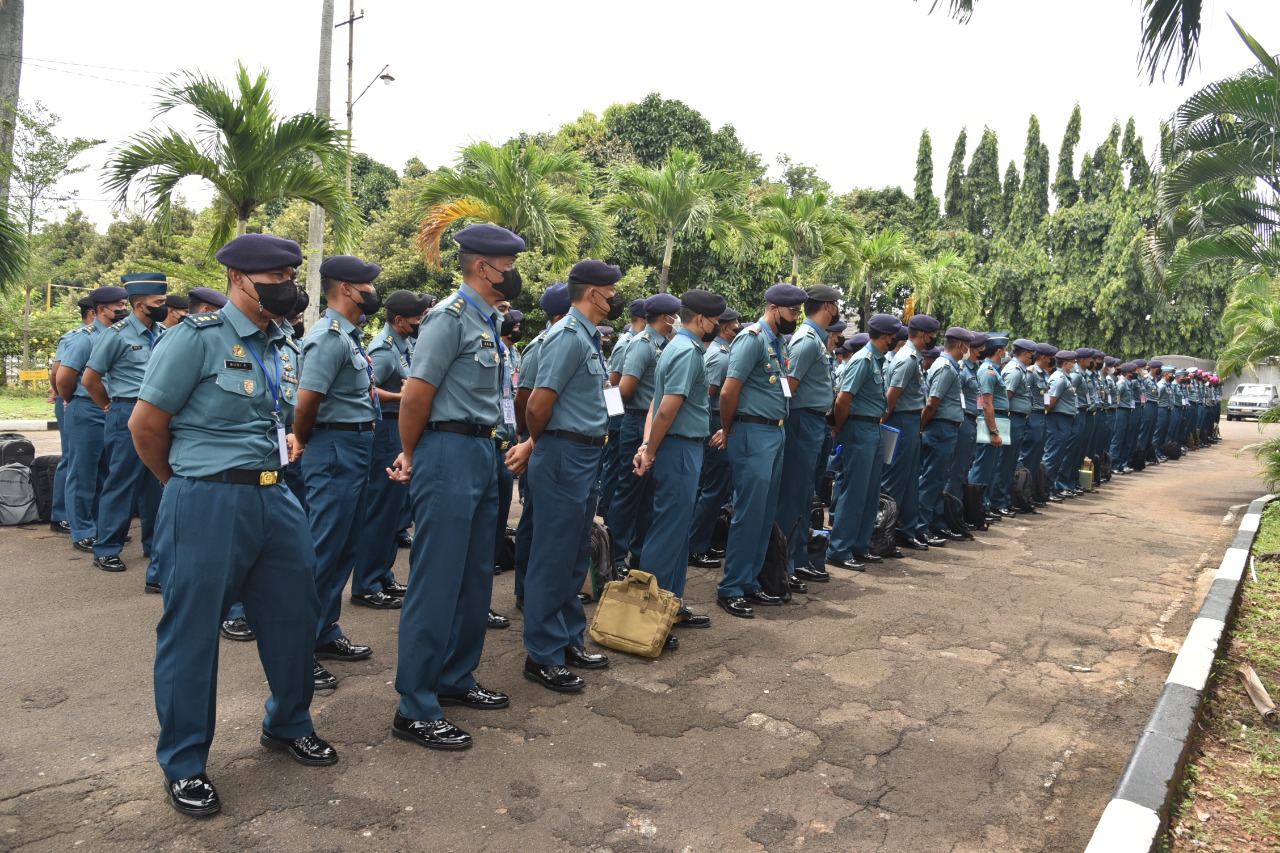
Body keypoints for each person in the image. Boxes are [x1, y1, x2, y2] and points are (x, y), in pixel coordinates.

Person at [129, 232, 337, 819]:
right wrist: (183, 485)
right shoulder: (195, 339)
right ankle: (186, 762)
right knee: (193, 632)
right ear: (241, 280)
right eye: (279, 276)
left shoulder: (283, 344)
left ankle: (288, 721)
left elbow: (280, 418)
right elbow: (146, 425)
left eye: (294, 274)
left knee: (296, 615)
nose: (290, 285)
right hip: (208, 499)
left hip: (276, 496)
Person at [387, 224, 524, 749]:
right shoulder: (449, 318)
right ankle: (415, 704)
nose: (512, 275)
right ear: (484, 267)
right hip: (446, 450)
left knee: (474, 577)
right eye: (507, 266)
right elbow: (416, 397)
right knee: (436, 579)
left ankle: (455, 677)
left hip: (483, 451)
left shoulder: (487, 322)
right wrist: (416, 455)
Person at [508, 259, 624, 691]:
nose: (615, 297)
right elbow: (537, 405)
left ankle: (568, 638)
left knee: (576, 553)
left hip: (584, 454)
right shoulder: (567, 337)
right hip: (564, 454)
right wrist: (540, 445)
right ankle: (542, 654)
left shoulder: (588, 338)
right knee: (552, 557)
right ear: (593, 293)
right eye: (610, 290)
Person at [294, 255, 383, 686]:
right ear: (347, 288)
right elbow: (307, 401)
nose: (372, 291)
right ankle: (297, 648)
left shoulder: (350, 336)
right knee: (323, 549)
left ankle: (325, 631)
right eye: (367, 284)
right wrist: (304, 440)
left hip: (355, 444)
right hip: (333, 445)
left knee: (345, 546)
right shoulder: (328, 337)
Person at [631, 288, 727, 645]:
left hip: (677, 447)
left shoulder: (676, 345)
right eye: (715, 321)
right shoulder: (687, 351)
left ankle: (671, 606)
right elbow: (667, 408)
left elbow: (656, 402)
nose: (716, 327)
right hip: (679, 448)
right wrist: (651, 449)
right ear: (700, 319)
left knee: (675, 530)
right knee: (667, 533)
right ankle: (648, 617)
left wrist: (646, 444)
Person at [715, 282, 807, 618]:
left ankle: (750, 582)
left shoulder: (777, 341)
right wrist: (728, 430)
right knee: (748, 513)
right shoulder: (752, 338)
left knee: (765, 514)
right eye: (792, 311)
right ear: (772, 307)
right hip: (752, 432)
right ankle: (731, 587)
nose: (796, 316)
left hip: (774, 432)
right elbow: (728, 392)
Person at [80, 273, 169, 581]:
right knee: (122, 480)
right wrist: (109, 406)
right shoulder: (116, 335)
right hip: (127, 409)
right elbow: (90, 379)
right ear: (140, 304)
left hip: (157, 414)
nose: (164, 306)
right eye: (159, 302)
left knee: (154, 481)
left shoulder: (163, 332)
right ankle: (106, 548)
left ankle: (154, 544)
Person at [353, 290, 428, 611]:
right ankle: (366, 584)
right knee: (380, 508)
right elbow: (368, 391)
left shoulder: (403, 346)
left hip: (399, 431)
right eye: (416, 320)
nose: (420, 324)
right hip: (386, 431)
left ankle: (382, 574)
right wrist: (402, 398)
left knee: (393, 509)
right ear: (399, 321)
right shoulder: (383, 351)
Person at [773, 285, 841, 586]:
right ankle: (782, 566)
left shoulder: (817, 339)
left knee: (804, 497)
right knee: (793, 497)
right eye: (835, 304)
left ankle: (797, 560)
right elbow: (790, 386)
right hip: (800, 420)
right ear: (828, 306)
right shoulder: (807, 340)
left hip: (813, 423)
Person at [55, 285, 130, 552]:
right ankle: (82, 530)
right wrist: (71, 399)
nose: (123, 310)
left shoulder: (120, 335)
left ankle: (101, 526)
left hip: (109, 407)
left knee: (105, 471)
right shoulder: (84, 338)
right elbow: (64, 378)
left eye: (125, 305)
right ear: (100, 311)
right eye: (118, 306)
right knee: (82, 471)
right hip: (86, 407)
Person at [512, 282, 572, 610]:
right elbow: (525, 399)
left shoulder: (577, 338)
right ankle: (525, 589)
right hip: (544, 441)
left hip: (559, 441)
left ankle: (545, 589)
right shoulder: (543, 344)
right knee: (535, 519)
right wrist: (528, 439)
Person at [825, 314, 900, 570]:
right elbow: (842, 400)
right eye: (892, 336)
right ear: (887, 337)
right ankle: (840, 549)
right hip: (858, 427)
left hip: (873, 427)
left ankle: (859, 545)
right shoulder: (863, 360)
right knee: (854, 491)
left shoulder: (876, 361)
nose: (893, 340)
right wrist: (841, 428)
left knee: (869, 492)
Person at [611, 293, 678, 572]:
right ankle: (615, 557)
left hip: (652, 426)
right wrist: (614, 420)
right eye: (675, 315)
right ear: (666, 318)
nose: (678, 320)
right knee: (629, 492)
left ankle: (638, 555)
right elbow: (623, 390)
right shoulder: (643, 344)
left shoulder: (664, 345)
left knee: (648, 495)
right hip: (637, 421)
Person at [687, 308, 741, 567]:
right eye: (734, 326)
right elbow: (704, 396)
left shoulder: (724, 353)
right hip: (716, 421)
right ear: (724, 329)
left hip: (719, 420)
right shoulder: (720, 357)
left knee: (714, 487)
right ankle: (695, 546)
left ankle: (702, 541)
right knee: (713, 487)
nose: (738, 330)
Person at [884, 314, 939, 550]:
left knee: (909, 481)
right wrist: (882, 427)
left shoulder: (913, 358)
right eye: (933, 335)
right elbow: (891, 398)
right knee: (894, 481)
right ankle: (884, 535)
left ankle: (905, 531)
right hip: (901, 422)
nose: (934, 339)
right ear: (924, 335)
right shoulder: (907, 359)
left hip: (911, 421)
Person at [48, 296, 97, 536]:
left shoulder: (109, 334)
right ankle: (61, 515)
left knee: (92, 463)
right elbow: (58, 371)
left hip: (87, 401)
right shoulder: (75, 337)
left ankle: (91, 518)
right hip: (73, 401)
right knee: (71, 458)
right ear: (92, 313)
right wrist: (60, 394)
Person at [916, 327, 970, 541]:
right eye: (967, 346)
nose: (969, 350)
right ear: (960, 345)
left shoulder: (950, 366)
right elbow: (931, 404)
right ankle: (921, 527)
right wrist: (922, 427)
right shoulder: (946, 367)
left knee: (938, 480)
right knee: (931, 480)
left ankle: (935, 522)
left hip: (946, 429)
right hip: (939, 428)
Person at [599, 300, 647, 521]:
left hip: (627, 414)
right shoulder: (627, 343)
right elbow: (612, 383)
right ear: (644, 318)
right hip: (622, 416)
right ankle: (608, 515)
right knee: (616, 470)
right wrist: (615, 418)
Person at [968, 333, 1009, 522]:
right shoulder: (988, 371)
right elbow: (986, 404)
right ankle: (973, 507)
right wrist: (993, 431)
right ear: (999, 351)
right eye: (1005, 350)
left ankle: (983, 505)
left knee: (991, 466)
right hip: (990, 421)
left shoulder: (994, 370)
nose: (1006, 353)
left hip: (998, 419)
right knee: (983, 466)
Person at [995, 338, 1037, 515]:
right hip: (1012, 420)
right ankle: (997, 502)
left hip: (1019, 420)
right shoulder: (1014, 370)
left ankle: (1004, 500)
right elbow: (1006, 397)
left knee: (1011, 463)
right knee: (1004, 462)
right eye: (1032, 353)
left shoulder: (1020, 369)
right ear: (1027, 353)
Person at [947, 332, 985, 502]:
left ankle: (957, 508)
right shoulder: (961, 370)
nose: (981, 352)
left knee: (963, 469)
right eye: (978, 350)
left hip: (971, 420)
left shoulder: (975, 369)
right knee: (957, 469)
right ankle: (949, 508)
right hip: (962, 420)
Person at [1044, 350, 1079, 499]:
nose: (1074, 364)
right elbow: (1050, 401)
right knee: (1053, 455)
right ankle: (1046, 490)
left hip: (1064, 420)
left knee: (1058, 456)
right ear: (1065, 363)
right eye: (1073, 361)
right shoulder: (1059, 378)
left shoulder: (1065, 377)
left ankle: (1051, 487)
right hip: (1057, 419)